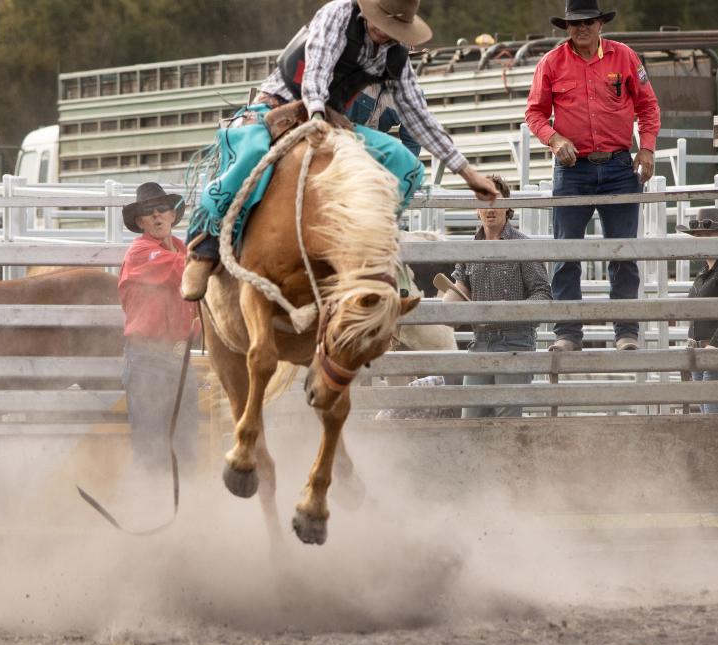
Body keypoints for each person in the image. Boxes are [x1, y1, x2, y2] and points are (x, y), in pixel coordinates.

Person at [180, 0, 500, 300]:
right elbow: (316, 69)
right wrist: (316, 115)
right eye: (382, 22)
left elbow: (417, 114)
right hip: (280, 105)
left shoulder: (395, 54)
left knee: (406, 165)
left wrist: (467, 172)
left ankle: (373, 251)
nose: (384, 32)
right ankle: (204, 246)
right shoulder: (338, 13)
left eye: (393, 28)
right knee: (249, 154)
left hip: (334, 119)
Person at [524, 0, 661, 352]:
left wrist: (646, 148)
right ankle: (568, 333)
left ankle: (626, 332)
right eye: (574, 23)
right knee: (566, 252)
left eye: (587, 21)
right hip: (573, 169)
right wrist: (554, 139)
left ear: (600, 24)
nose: (581, 28)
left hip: (619, 165)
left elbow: (647, 105)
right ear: (566, 27)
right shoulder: (551, 63)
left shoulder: (625, 57)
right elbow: (535, 114)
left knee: (622, 252)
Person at [441, 176, 553, 418]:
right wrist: (449, 304)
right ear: (476, 208)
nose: (490, 208)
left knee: (507, 421)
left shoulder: (523, 246)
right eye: (484, 200)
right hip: (480, 340)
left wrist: (512, 309)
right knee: (471, 419)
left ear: (507, 207)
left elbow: (543, 294)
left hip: (515, 341)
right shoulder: (469, 249)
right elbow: (461, 287)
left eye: (496, 200)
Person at [118, 183, 200, 479]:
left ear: (172, 215)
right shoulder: (140, 251)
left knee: (186, 439)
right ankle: (150, 505)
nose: (156, 216)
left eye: (162, 209)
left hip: (178, 357)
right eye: (148, 212)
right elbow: (187, 271)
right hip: (147, 358)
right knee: (150, 444)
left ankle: (183, 506)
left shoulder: (181, 248)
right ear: (140, 222)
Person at [682, 207, 718, 414]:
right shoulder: (705, 271)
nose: (702, 240)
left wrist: (716, 344)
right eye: (699, 236)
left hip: (717, 351)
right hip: (700, 352)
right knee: (709, 418)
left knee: (716, 419)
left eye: (708, 235)